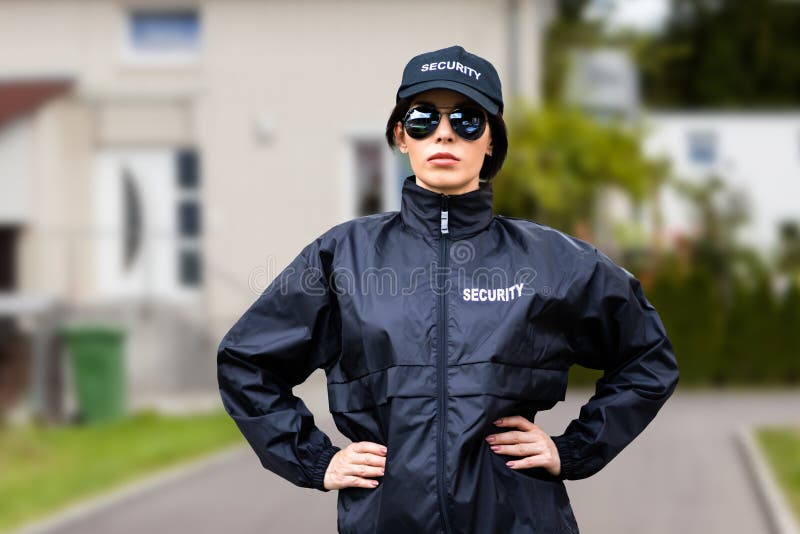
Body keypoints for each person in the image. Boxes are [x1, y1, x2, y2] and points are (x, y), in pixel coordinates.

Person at [217, 45, 679, 534]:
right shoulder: (343, 257)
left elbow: (647, 357)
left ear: (492, 143)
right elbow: (247, 362)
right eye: (422, 118)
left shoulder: (553, 262)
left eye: (466, 119)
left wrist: (573, 449)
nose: (444, 133)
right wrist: (315, 461)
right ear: (400, 136)